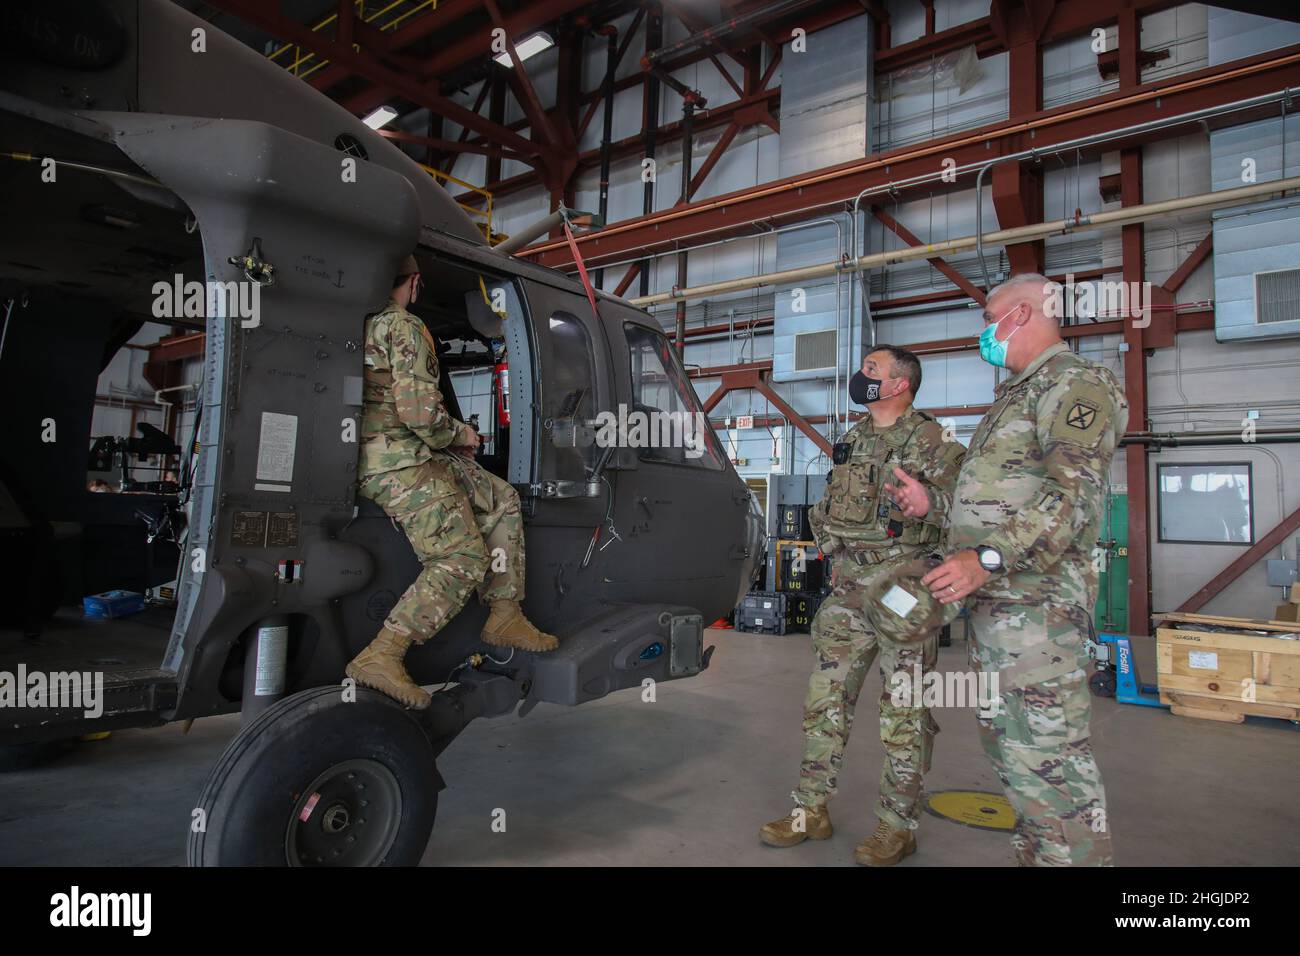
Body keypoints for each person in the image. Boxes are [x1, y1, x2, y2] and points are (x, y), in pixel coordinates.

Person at [888, 272, 1127, 866]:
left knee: (1050, 766)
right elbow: (999, 505)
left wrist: (986, 559)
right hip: (1000, 612)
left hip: (1038, 616)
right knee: (1017, 760)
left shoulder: (1077, 384)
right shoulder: (1015, 394)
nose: (985, 335)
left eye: (988, 320)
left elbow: (1074, 498)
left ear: (1019, 316)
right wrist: (933, 506)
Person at [759, 345, 965, 865]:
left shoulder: (935, 441)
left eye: (872, 370)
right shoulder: (853, 437)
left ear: (900, 384)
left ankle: (897, 826)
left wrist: (931, 504)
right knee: (824, 703)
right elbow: (828, 507)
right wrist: (831, 553)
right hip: (848, 588)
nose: (861, 376)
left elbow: (967, 512)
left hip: (904, 590)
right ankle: (810, 810)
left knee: (904, 712)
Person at [347, 254, 557, 710]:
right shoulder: (402, 326)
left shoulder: (360, 323)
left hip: (391, 454)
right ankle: (384, 652)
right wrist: (462, 434)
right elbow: (422, 417)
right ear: (415, 283)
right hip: (401, 463)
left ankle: (504, 613)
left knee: (500, 496)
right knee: (462, 557)